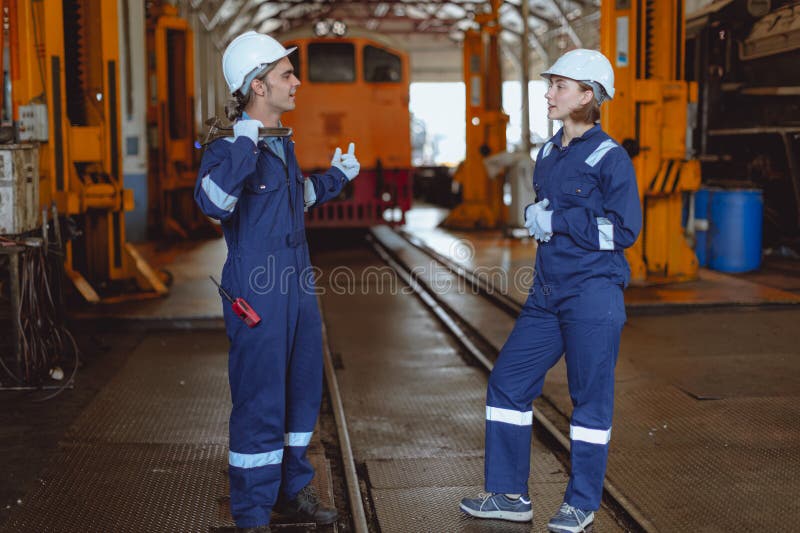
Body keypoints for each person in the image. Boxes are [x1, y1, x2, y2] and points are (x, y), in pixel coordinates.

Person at [459, 49, 642, 532]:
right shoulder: (547, 151)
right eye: (550, 85)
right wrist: (535, 217)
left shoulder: (610, 157)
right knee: (507, 383)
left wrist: (558, 220)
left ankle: (582, 503)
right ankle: (508, 494)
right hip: (546, 293)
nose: (549, 93)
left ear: (588, 95)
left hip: (593, 294)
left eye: (560, 86)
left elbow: (623, 231)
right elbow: (545, 208)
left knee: (589, 401)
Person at [194, 30, 360, 533]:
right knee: (261, 397)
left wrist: (337, 177)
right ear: (258, 86)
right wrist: (243, 148)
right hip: (257, 287)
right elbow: (214, 204)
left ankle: (291, 491)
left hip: (296, 284)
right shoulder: (228, 149)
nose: (297, 81)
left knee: (301, 393)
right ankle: (251, 511)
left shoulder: (279, 144)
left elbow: (298, 198)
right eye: (286, 74)